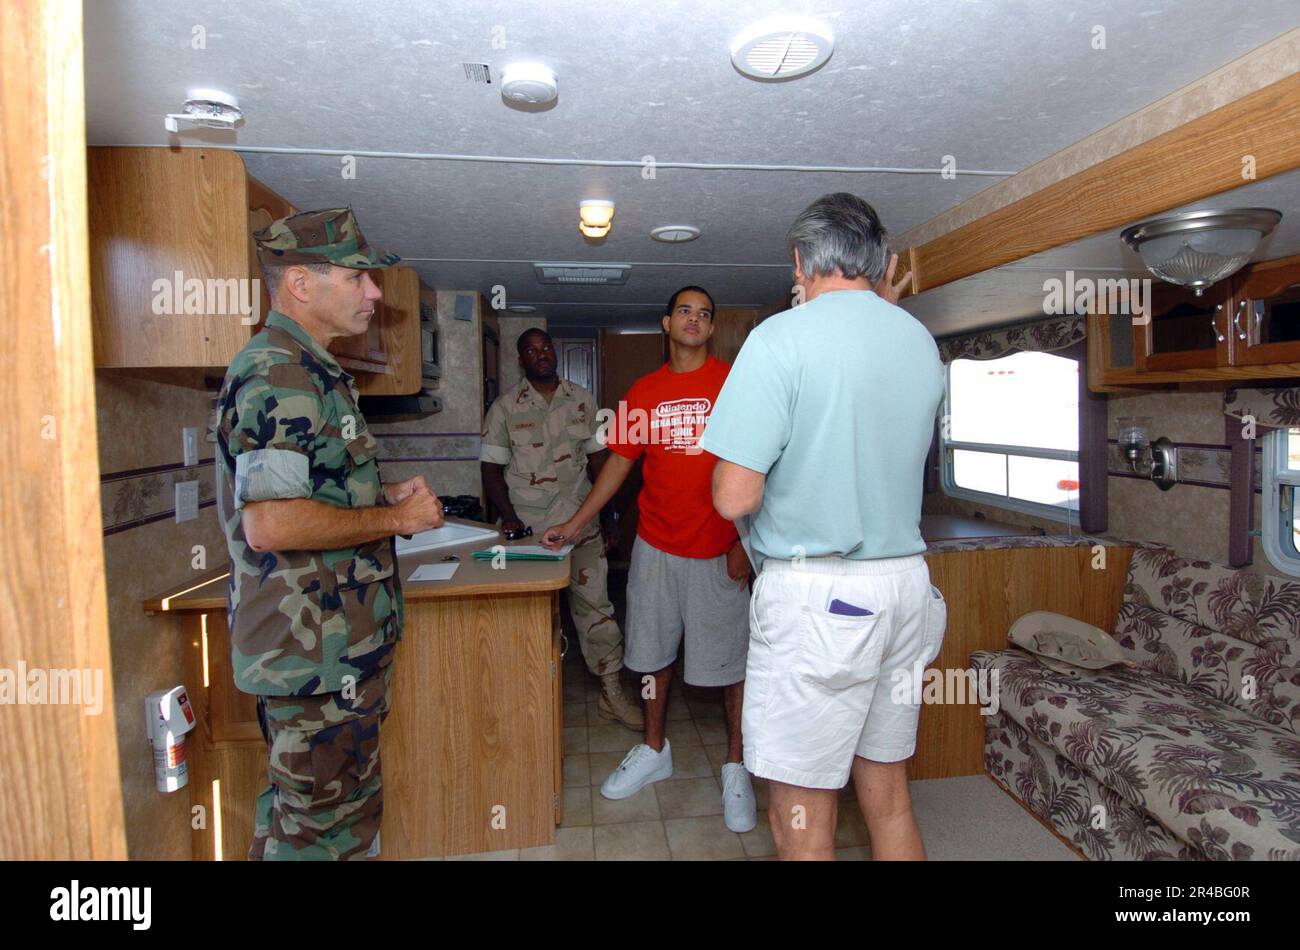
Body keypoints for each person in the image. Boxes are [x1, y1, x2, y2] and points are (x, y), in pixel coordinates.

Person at [701, 192, 946, 860]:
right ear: (880, 261)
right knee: (888, 797)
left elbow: (732, 497)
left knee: (801, 817)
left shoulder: (780, 338)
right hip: (906, 591)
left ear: (800, 260)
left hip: (822, 600)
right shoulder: (918, 341)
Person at [216, 207, 446, 860]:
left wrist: (378, 495)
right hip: (311, 659)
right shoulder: (278, 372)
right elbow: (272, 522)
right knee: (330, 836)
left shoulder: (309, 371)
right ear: (300, 283)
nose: (374, 292)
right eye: (356, 278)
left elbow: (302, 495)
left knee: (302, 823)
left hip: (324, 656)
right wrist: (397, 520)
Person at [542, 287, 757, 831]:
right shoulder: (644, 392)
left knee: (732, 663)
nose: (695, 320)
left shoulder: (736, 382)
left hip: (718, 550)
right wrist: (574, 523)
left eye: (705, 314)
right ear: (667, 322)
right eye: (685, 311)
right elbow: (617, 464)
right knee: (651, 655)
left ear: (711, 328)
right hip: (656, 548)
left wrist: (743, 542)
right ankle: (654, 749)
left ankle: (736, 764)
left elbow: (762, 463)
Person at [480, 329, 643, 729]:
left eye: (547, 347)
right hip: (532, 532)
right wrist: (510, 517)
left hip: (581, 524)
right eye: (532, 351)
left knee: (596, 608)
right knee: (528, 616)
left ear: (555, 351)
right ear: (522, 360)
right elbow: (490, 470)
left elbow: (600, 465)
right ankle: (525, 699)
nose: (542, 355)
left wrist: (610, 520)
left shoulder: (583, 401)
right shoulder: (504, 408)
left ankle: (611, 691)